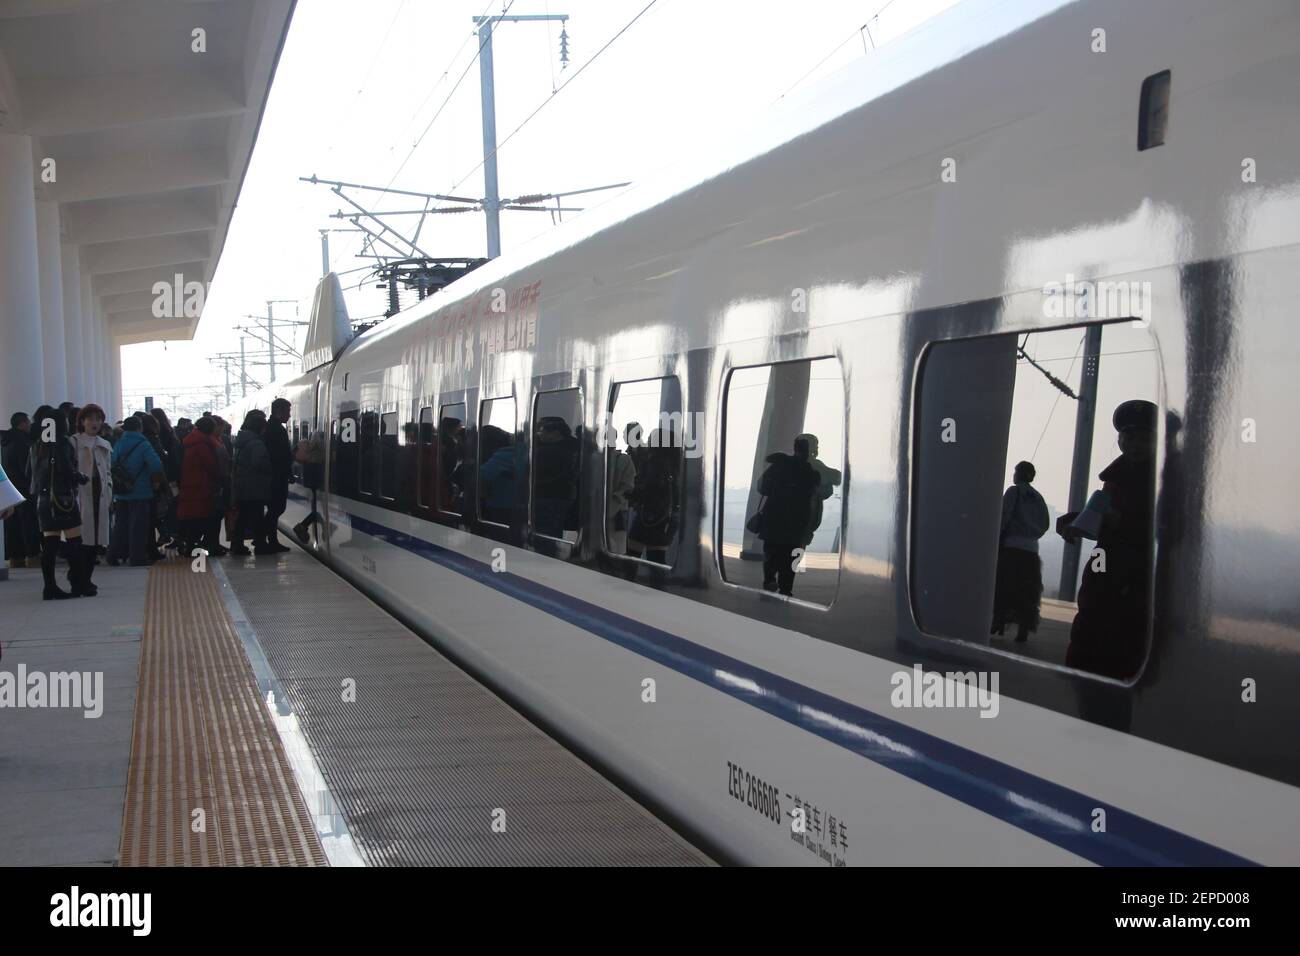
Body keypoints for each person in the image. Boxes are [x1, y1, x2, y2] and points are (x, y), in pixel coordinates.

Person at [1059, 400, 1158, 680]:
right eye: (1128, 437)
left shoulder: (1163, 482)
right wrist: (1076, 522)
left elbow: (1169, 529)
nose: (1134, 445)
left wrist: (1121, 522)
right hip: (1104, 579)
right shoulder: (1115, 477)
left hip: (1134, 583)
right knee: (1088, 651)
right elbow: (1104, 521)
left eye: (1144, 438)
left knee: (1119, 660)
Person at [29, 406, 90, 599]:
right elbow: (65, 468)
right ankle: (80, 585)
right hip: (63, 500)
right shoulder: (63, 443)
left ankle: (50, 587)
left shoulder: (38, 445)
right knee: (75, 543)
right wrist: (79, 477)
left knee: (50, 546)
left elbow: (29, 473)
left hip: (44, 500)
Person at [990, 460, 1051, 642]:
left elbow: (1003, 516)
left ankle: (998, 621)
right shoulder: (1038, 498)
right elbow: (1045, 524)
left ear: (1019, 474)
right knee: (1027, 592)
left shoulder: (1013, 492)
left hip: (1011, 548)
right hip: (1031, 550)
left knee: (1004, 587)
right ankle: (1023, 628)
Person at [754, 435, 821, 596]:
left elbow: (762, 487)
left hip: (773, 518)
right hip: (797, 523)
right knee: (791, 558)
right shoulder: (812, 473)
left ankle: (769, 579)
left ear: (795, 448)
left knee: (771, 552)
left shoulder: (779, 464)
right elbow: (816, 499)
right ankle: (786, 589)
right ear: (811, 451)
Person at [109, 415, 164, 567]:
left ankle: (113, 554)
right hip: (140, 491)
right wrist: (157, 482)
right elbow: (156, 465)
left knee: (120, 525)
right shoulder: (143, 444)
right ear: (140, 427)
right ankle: (137, 557)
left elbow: (112, 463)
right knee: (138, 526)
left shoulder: (119, 443)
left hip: (121, 491)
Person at [71, 404, 114, 595]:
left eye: (98, 418)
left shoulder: (104, 444)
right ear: (82, 421)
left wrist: (110, 493)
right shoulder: (73, 442)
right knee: (81, 542)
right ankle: (78, 579)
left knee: (96, 542)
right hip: (81, 496)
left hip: (100, 496)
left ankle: (86, 579)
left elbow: (108, 472)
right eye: (90, 418)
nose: (95, 422)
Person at [626, 427, 680, 567]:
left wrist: (631, 494)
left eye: (651, 438)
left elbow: (650, 488)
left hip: (649, 516)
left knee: (632, 556)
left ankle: (626, 585)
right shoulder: (678, 464)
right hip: (667, 518)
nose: (648, 440)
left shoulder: (653, 462)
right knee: (656, 559)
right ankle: (657, 587)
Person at [178, 417, 222, 555]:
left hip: (190, 485)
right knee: (204, 518)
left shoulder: (191, 441)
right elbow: (211, 466)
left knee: (194, 519)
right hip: (202, 486)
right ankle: (199, 547)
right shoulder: (202, 445)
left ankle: (191, 546)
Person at [2, 411, 41, 568]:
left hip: (8, 488)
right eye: (28, 422)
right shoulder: (22, 442)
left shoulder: (5, 442)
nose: (30, 425)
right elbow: (26, 467)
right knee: (28, 523)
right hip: (23, 488)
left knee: (11, 524)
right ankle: (31, 556)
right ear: (22, 424)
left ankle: (14, 557)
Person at [231, 409, 272, 556]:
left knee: (242, 517)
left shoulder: (242, 440)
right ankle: (260, 544)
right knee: (257, 517)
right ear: (260, 428)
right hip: (254, 486)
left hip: (242, 485)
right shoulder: (256, 444)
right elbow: (259, 463)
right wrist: (270, 467)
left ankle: (237, 544)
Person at [532, 416, 580, 541]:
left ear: (555, 433)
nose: (539, 434)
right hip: (567, 496)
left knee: (545, 534)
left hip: (547, 496)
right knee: (555, 531)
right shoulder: (576, 447)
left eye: (542, 431)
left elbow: (538, 473)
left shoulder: (547, 451)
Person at [261, 398, 292, 553]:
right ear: (279, 411)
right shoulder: (276, 429)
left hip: (273, 476)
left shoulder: (269, 427)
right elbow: (279, 455)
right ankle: (267, 539)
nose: (289, 415)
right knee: (276, 508)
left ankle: (265, 538)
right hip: (277, 477)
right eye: (288, 411)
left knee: (274, 509)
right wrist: (293, 454)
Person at [606, 426, 637, 556]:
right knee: (615, 548)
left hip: (614, 512)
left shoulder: (623, 459)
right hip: (617, 510)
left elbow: (627, 488)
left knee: (615, 547)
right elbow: (628, 487)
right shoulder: (624, 460)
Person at [292, 426, 326, 545]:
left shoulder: (308, 452)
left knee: (316, 509)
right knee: (317, 511)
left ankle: (324, 527)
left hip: (310, 484)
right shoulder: (320, 454)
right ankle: (304, 526)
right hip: (317, 485)